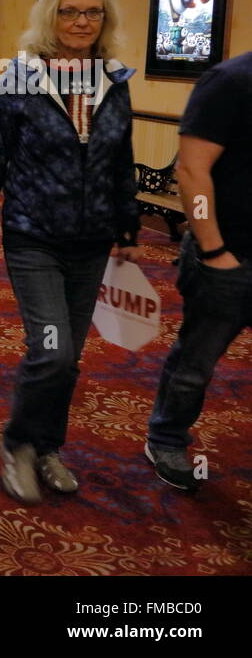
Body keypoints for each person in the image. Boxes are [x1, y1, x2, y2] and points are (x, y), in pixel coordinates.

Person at [0, 0, 140, 504]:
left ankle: (48, 448)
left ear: (105, 19)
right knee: (52, 351)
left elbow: (121, 159)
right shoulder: (21, 79)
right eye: (70, 11)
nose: (82, 21)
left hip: (92, 240)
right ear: (50, 17)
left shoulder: (114, 79)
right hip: (33, 235)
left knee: (70, 357)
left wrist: (128, 226)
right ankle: (17, 442)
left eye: (92, 12)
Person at [146, 49, 252, 491]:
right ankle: (166, 438)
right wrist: (213, 249)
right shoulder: (231, 81)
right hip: (229, 255)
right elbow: (192, 171)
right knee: (196, 363)